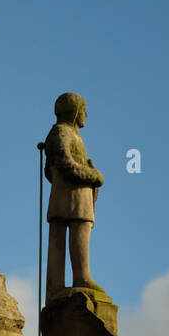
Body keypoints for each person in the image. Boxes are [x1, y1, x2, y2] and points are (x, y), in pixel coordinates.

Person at [44, 92, 105, 305]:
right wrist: (94, 175)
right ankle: (65, 283)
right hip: (70, 197)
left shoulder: (72, 135)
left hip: (77, 197)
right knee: (63, 237)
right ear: (75, 111)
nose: (86, 115)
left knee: (78, 231)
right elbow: (62, 165)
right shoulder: (61, 132)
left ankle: (80, 277)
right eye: (84, 110)